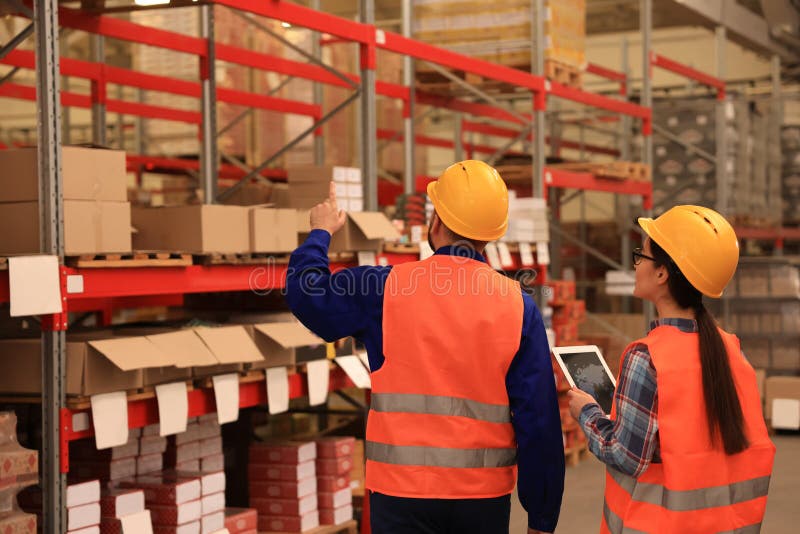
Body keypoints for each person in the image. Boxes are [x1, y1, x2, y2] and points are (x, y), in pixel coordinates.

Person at [286, 160, 564, 534]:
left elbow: (308, 294)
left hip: (401, 493)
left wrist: (320, 233)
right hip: (481, 500)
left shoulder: (384, 289)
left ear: (436, 221)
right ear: (490, 235)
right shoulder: (518, 305)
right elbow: (539, 420)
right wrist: (542, 518)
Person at [567, 205, 776, 534]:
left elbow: (625, 456)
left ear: (662, 274)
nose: (636, 264)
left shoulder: (647, 356)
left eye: (641, 255)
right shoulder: (731, 350)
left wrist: (587, 412)